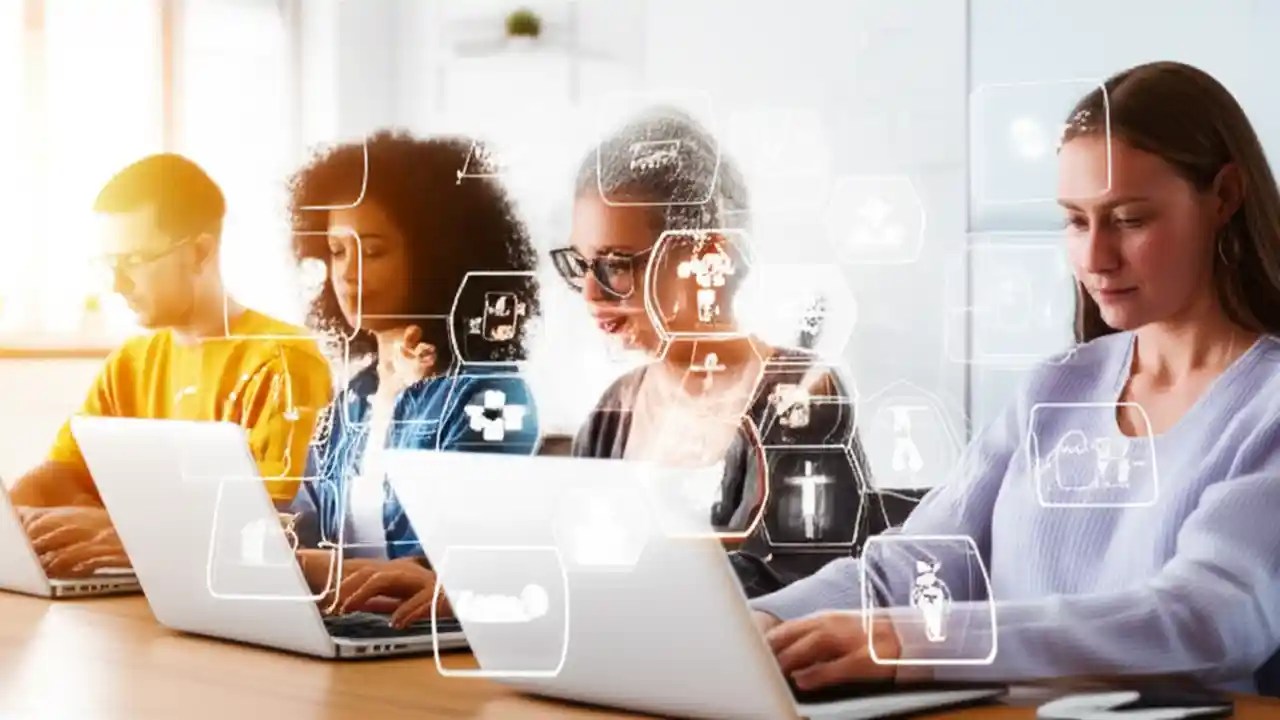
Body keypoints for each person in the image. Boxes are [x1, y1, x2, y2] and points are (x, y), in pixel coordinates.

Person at [751, 61, 1280, 694]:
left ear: (1223, 195)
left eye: (1131, 219)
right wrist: (758, 622)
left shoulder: (1266, 408)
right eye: (1076, 221)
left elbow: (1207, 619)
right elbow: (921, 563)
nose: (1094, 259)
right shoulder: (1056, 388)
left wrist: (923, 641)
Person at [557, 108, 884, 592]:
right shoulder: (614, 411)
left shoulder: (800, 397)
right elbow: (573, 554)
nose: (589, 293)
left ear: (705, 255)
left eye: (615, 265)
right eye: (579, 265)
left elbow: (798, 587)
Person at [11, 154, 332, 578]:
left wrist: (126, 528)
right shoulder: (129, 362)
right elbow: (57, 479)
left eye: (134, 261)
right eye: (109, 263)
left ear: (199, 252)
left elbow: (267, 525)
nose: (115, 284)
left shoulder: (282, 360)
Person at [286, 130, 540, 626]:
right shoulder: (351, 401)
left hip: (431, 650)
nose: (348, 274)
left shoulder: (489, 395)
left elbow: (473, 565)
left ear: (434, 255)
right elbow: (303, 528)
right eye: (337, 251)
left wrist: (309, 567)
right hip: (350, 633)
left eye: (373, 251)